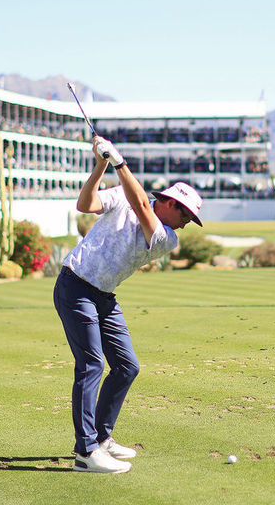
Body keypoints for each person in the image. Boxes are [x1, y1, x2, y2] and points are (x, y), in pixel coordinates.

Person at [54, 136, 203, 474]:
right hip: (75, 285)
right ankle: (86, 452)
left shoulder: (166, 237)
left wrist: (118, 162)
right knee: (91, 365)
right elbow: (86, 204)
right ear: (170, 203)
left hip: (104, 296)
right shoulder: (124, 194)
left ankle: (101, 437)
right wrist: (101, 165)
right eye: (186, 215)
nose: (186, 224)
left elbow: (142, 208)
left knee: (126, 366)